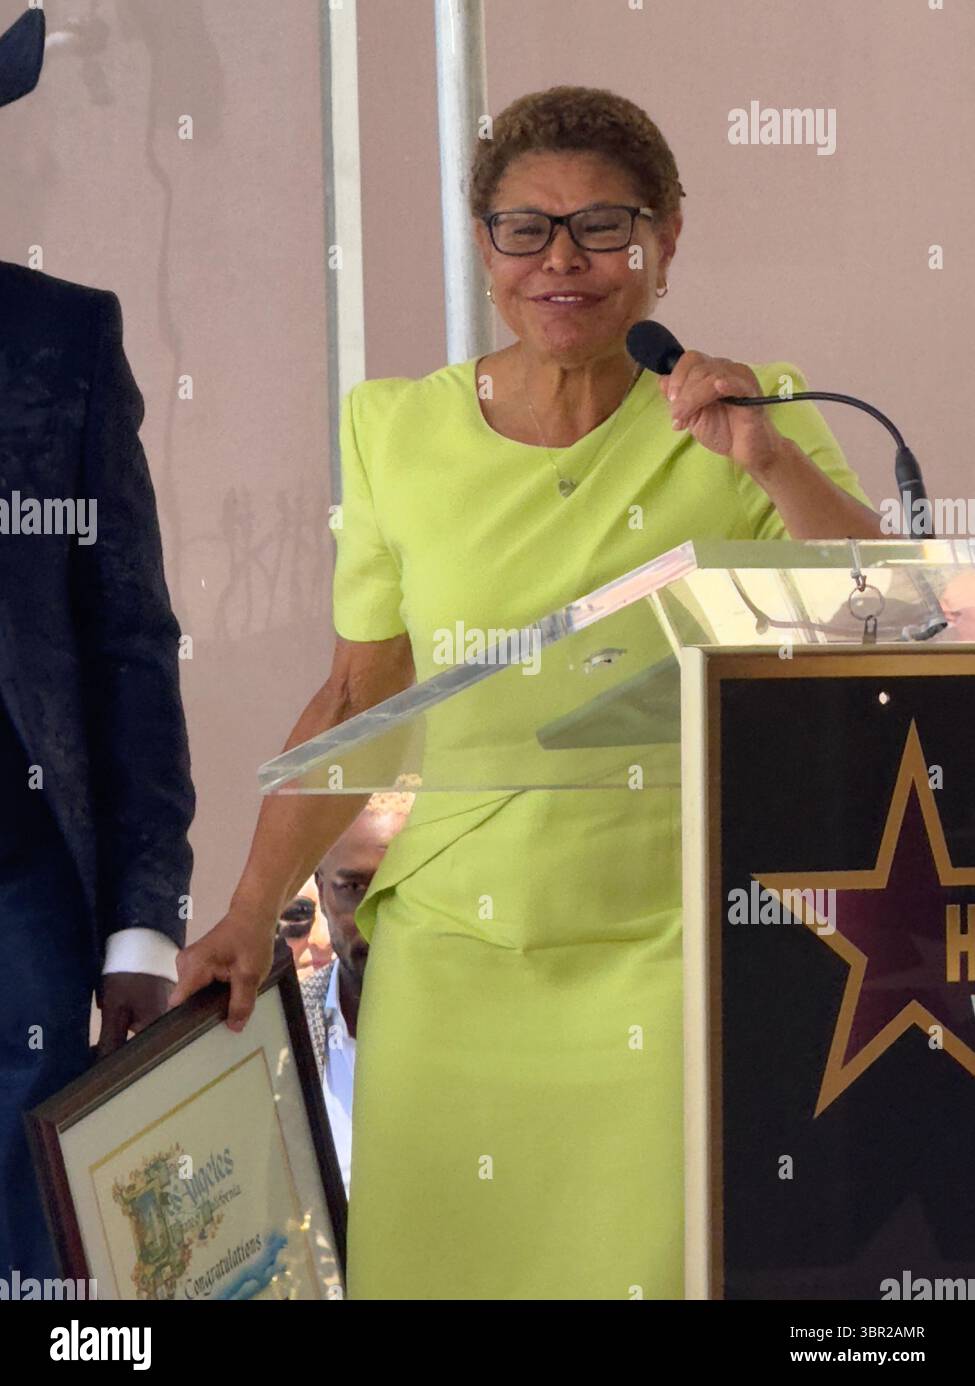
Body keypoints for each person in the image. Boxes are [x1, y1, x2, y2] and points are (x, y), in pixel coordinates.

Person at [173, 85, 885, 1299]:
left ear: (666, 239)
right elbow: (357, 692)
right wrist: (248, 912)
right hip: (454, 969)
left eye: (605, 227)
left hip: (668, 969)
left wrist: (764, 457)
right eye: (525, 228)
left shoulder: (741, 411)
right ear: (483, 241)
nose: (564, 261)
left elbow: (874, 615)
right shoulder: (394, 431)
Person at [0, 6, 194, 1282]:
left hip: (21, 897)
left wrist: (143, 921)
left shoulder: (63, 339)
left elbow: (130, 639)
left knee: (37, 1253)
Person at [300, 788, 414, 1195]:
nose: (375, 915)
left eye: (400, 888)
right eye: (354, 888)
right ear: (321, 890)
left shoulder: (495, 1032)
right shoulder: (281, 1035)